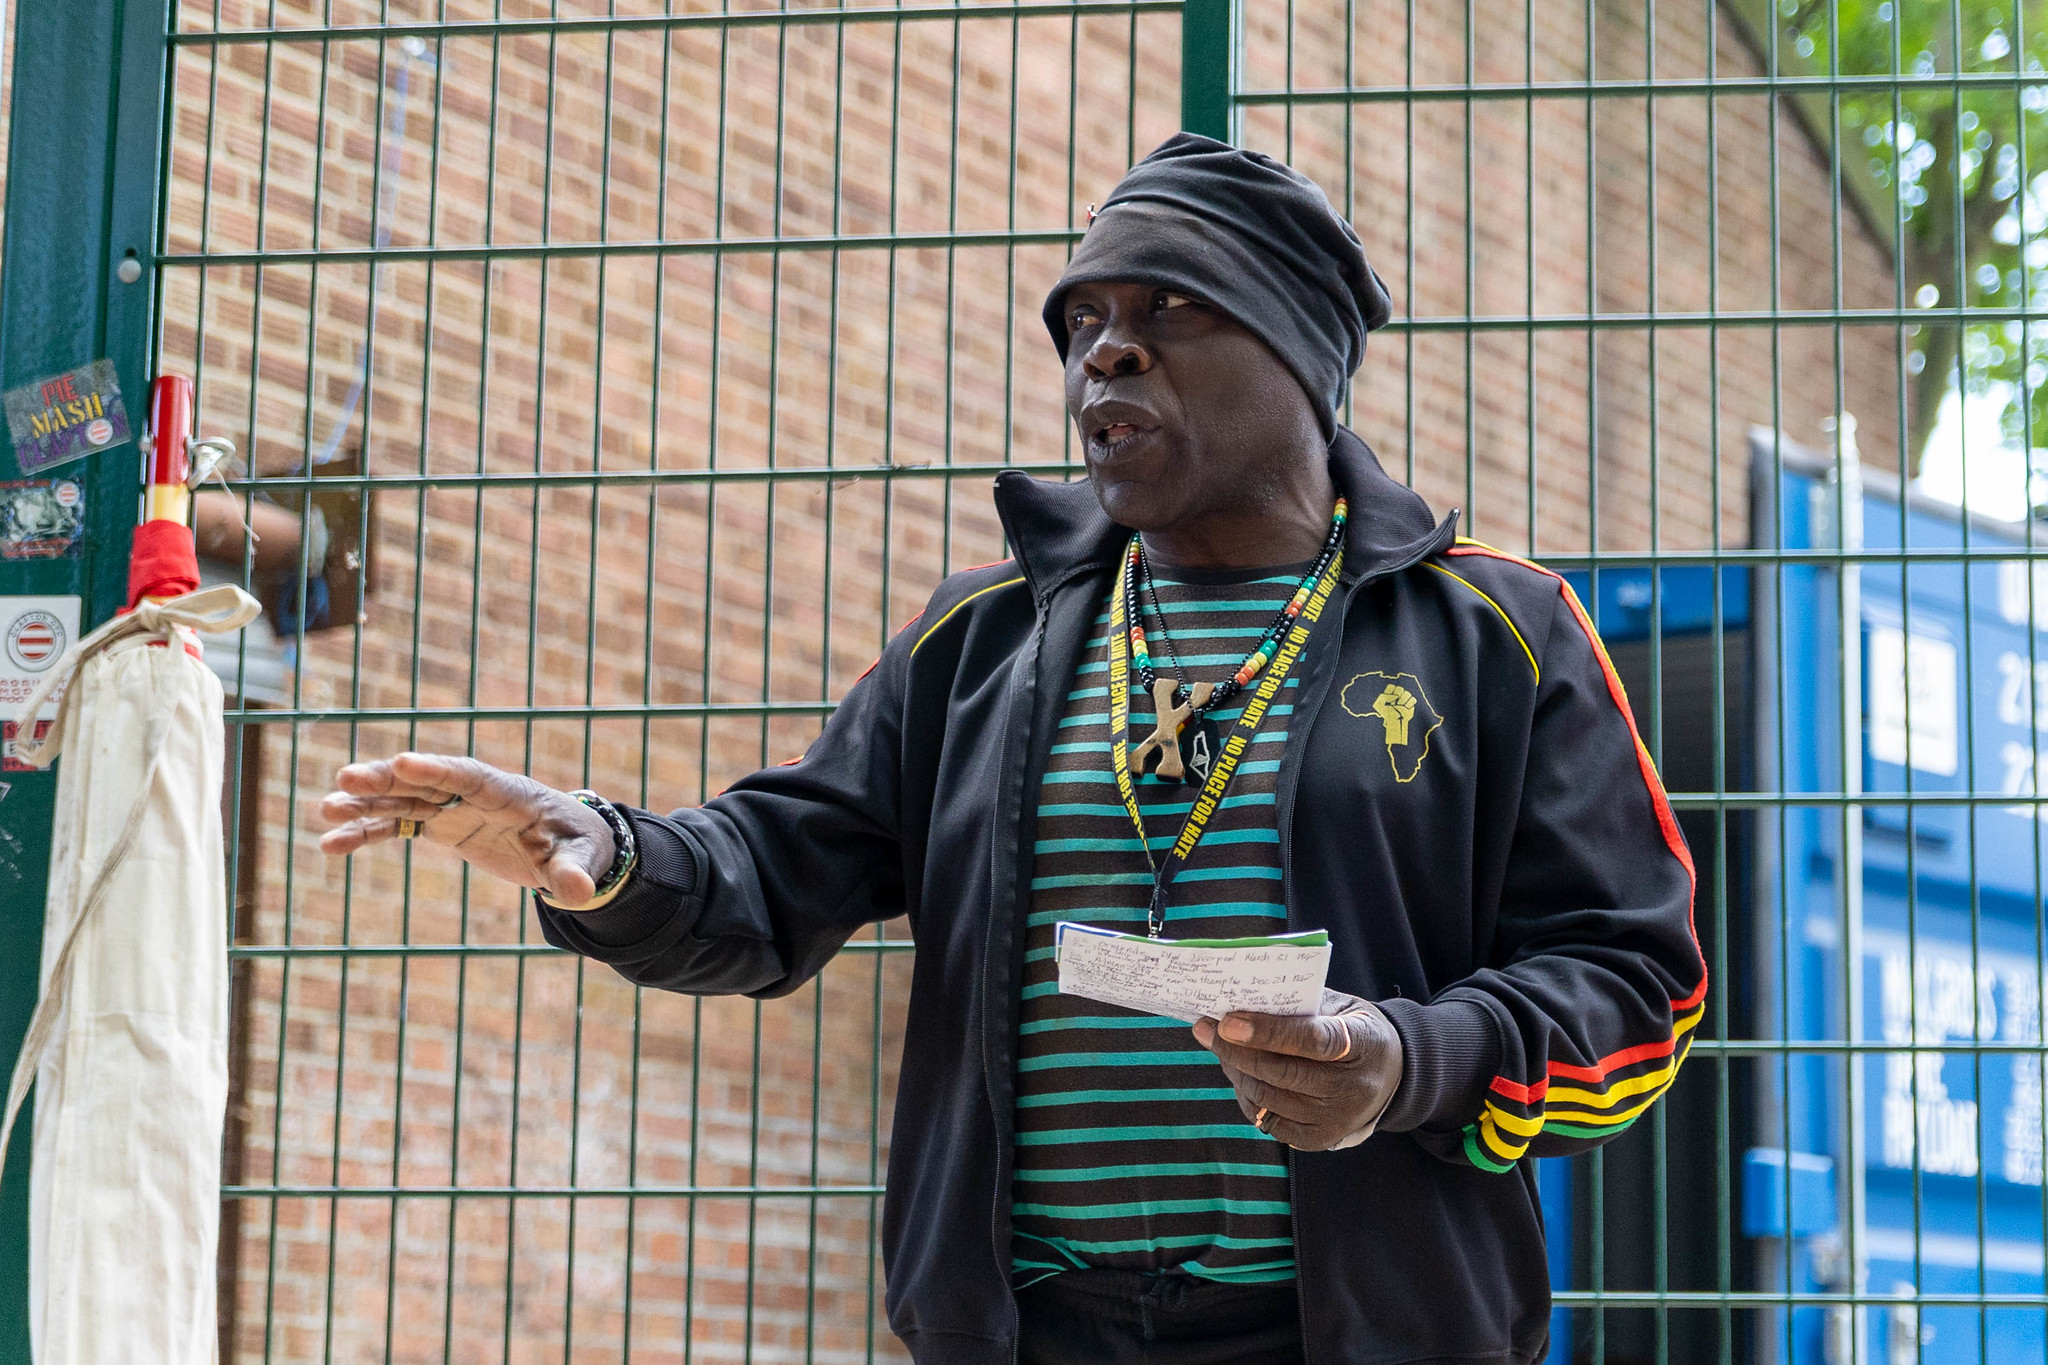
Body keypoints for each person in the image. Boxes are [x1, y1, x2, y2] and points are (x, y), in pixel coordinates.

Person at [320, 133, 1705, 1365]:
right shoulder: (985, 634)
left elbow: (1641, 990)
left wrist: (1408, 1058)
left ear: (1298, 355)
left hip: (1366, 1326)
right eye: (1083, 321)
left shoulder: (1495, 632)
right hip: (1029, 1328)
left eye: (1167, 307)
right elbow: (777, 866)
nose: (1105, 350)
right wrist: (609, 855)